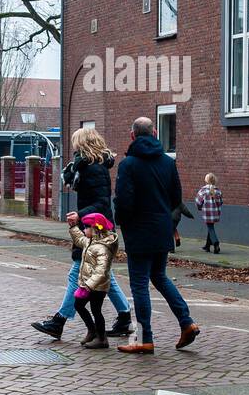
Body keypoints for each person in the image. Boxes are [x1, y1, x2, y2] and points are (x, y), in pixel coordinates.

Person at [32, 128, 133, 340]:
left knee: (76, 273)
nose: (74, 148)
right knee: (105, 276)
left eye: (76, 143)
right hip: (94, 228)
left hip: (95, 230)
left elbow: (102, 203)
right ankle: (124, 315)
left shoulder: (94, 169)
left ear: (84, 144)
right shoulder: (85, 167)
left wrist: (80, 215)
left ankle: (59, 321)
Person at [112, 117, 199, 354]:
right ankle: (186, 321)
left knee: (140, 284)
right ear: (155, 133)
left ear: (133, 136)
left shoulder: (128, 164)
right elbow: (176, 198)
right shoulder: (167, 163)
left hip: (139, 232)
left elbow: (123, 201)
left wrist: (122, 221)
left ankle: (145, 338)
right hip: (162, 229)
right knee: (159, 277)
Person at [69, 213, 119, 349]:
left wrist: (88, 285)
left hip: (98, 287)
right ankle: (92, 331)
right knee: (79, 305)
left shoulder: (103, 248)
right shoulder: (90, 241)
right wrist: (73, 227)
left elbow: (101, 271)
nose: (84, 230)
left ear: (95, 229)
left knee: (96, 310)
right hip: (88, 285)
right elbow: (79, 239)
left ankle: (102, 339)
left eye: (86, 228)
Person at [195, 173, 223, 253]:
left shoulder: (203, 190)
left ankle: (216, 243)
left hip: (207, 213)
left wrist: (200, 208)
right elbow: (221, 202)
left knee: (210, 228)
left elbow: (198, 201)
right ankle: (207, 246)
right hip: (215, 213)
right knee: (210, 227)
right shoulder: (218, 190)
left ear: (206, 180)